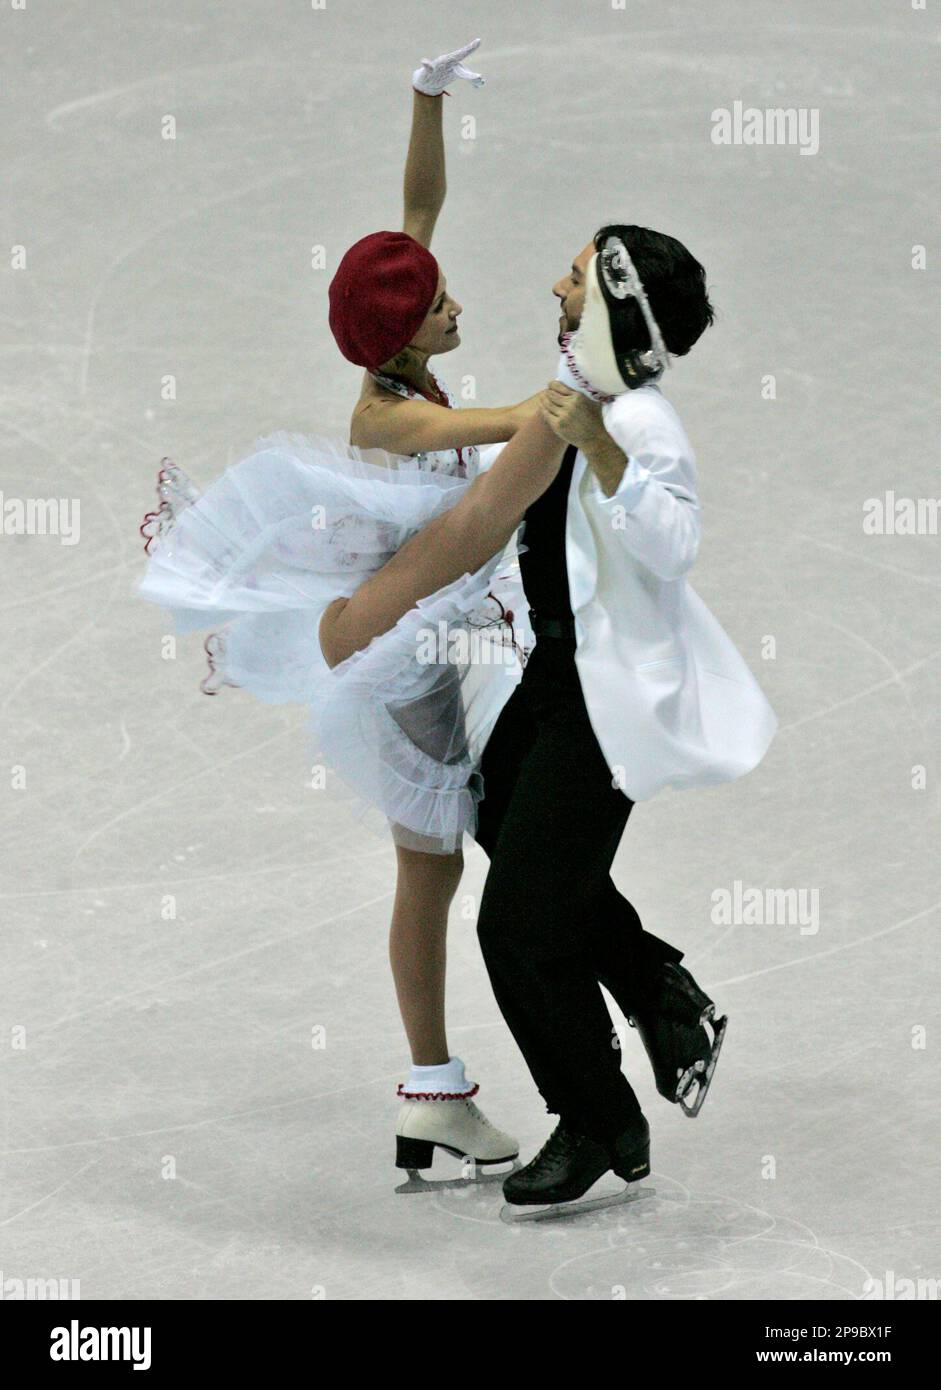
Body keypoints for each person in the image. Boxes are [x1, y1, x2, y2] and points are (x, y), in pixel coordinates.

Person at [137, 40, 567, 1175]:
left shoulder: (396, 350)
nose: (454, 302)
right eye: (439, 306)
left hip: (413, 638)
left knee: (435, 867)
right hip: (398, 673)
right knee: (429, 869)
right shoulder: (389, 420)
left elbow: (417, 203)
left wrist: (422, 96)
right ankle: (430, 1085)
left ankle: (432, 1083)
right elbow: (514, 420)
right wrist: (594, 371)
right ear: (406, 334)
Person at [468, 227, 779, 1210]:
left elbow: (672, 543)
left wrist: (601, 451)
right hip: (553, 678)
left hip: (603, 708)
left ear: (607, 305)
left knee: (515, 921)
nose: (549, 283)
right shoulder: (589, 400)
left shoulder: (639, 424)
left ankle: (600, 1119)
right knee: (492, 817)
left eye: (570, 273)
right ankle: (654, 990)